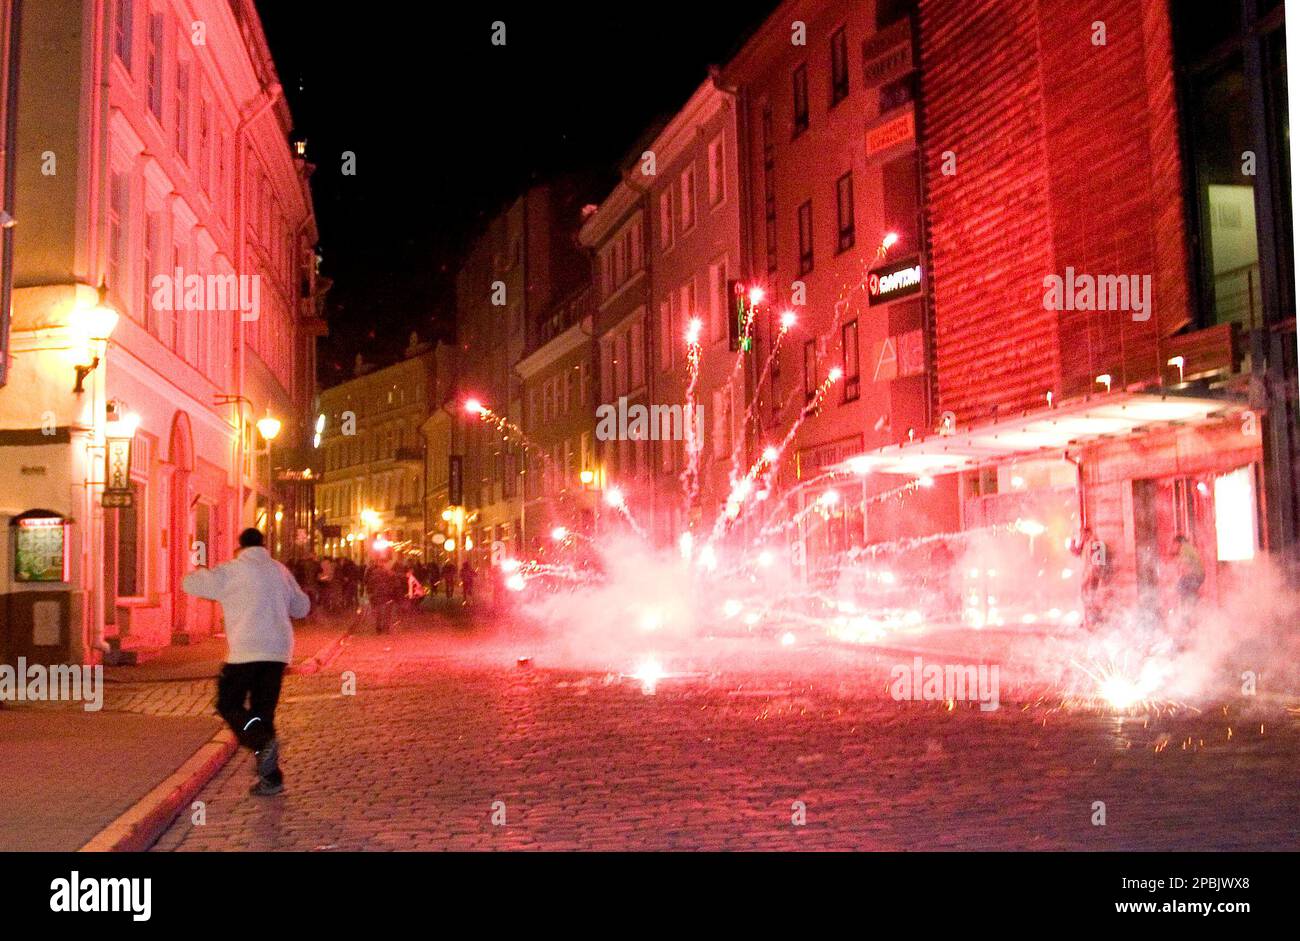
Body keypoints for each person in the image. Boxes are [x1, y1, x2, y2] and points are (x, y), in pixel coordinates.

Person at [182, 528, 308, 797]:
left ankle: (260, 740)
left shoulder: (232, 570)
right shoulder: (280, 571)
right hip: (277, 653)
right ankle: (271, 778)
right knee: (264, 711)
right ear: (264, 545)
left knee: (228, 703)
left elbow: (190, 584)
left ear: (240, 548)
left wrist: (197, 563)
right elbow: (302, 607)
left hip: (245, 651)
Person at [1173, 535, 1204, 628]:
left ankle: (1186, 617)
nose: (1174, 546)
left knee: (1180, 587)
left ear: (1179, 542)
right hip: (1199, 575)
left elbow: (1185, 562)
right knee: (1184, 589)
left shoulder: (1184, 548)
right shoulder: (1189, 547)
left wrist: (1177, 561)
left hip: (1195, 575)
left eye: (1175, 544)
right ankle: (1193, 601)